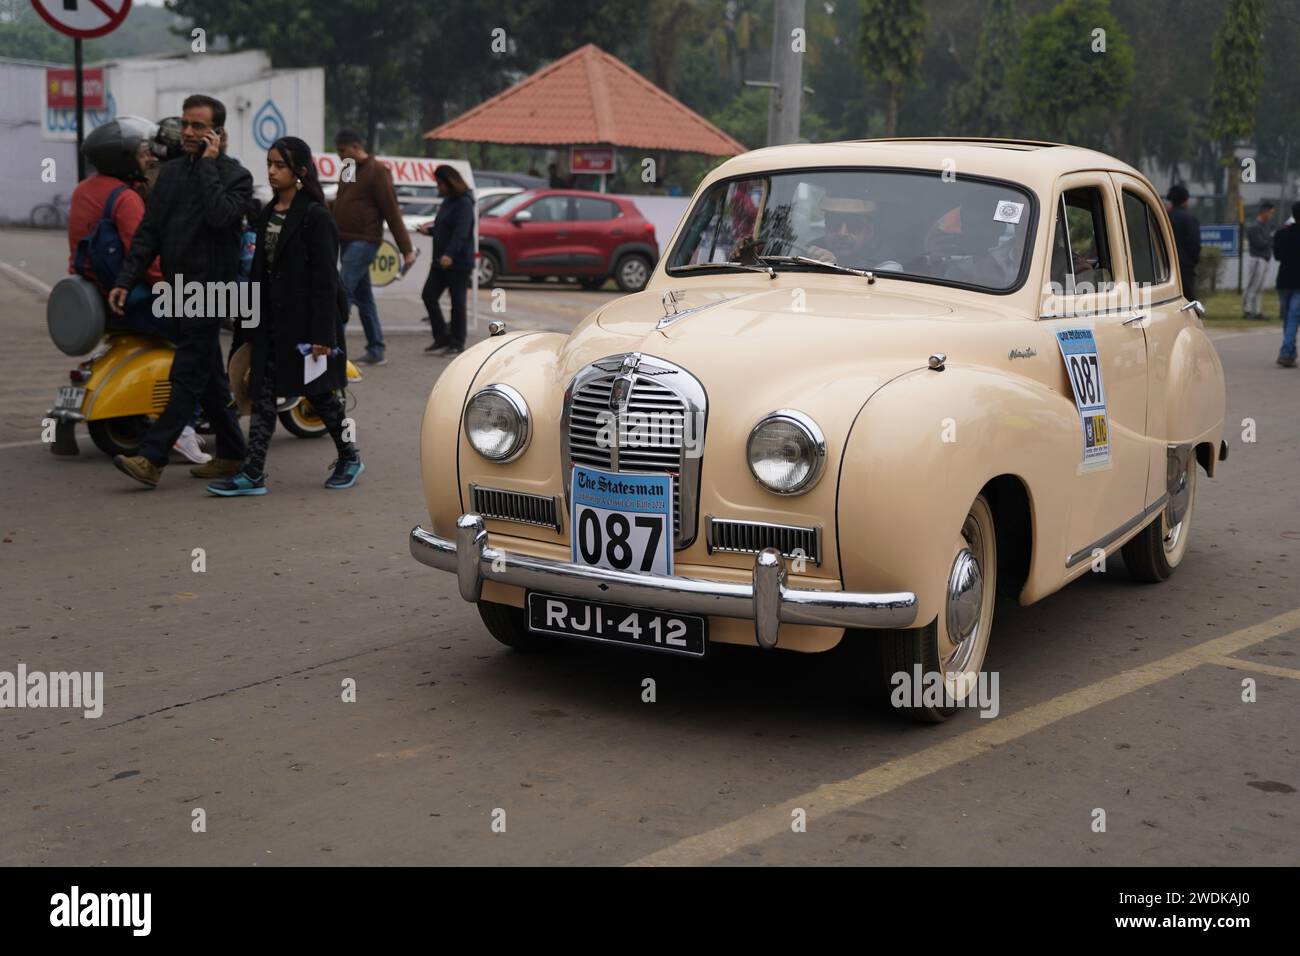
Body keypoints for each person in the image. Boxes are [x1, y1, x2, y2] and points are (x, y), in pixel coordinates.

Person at [106, 95, 253, 488]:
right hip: (179, 287)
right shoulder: (169, 174)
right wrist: (125, 279)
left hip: (215, 288)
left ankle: (151, 458)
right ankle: (234, 453)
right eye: (185, 124)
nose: (187, 132)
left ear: (217, 133)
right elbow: (149, 232)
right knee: (207, 374)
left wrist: (207, 166)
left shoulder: (235, 175)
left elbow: (221, 217)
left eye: (198, 126)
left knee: (187, 370)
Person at [206, 137, 363, 495]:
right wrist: (247, 320)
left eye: (280, 165)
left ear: (300, 172)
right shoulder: (267, 213)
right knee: (262, 396)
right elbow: (259, 271)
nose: (272, 171)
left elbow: (325, 280)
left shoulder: (315, 216)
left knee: (320, 395)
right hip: (269, 324)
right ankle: (253, 474)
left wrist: (324, 335)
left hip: (307, 328)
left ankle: (349, 456)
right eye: (270, 164)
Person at [68, 116, 211, 465]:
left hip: (98, 293)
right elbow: (146, 261)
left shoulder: (82, 190)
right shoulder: (125, 198)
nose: (148, 157)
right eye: (142, 152)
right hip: (132, 297)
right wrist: (180, 290)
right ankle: (186, 426)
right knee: (198, 337)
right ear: (123, 158)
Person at [331, 129, 414, 366]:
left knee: (343, 292)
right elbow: (341, 202)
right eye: (337, 152)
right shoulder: (348, 169)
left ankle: (331, 348)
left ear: (356, 147)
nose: (339, 156)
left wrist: (406, 249)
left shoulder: (378, 172)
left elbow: (392, 211)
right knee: (364, 298)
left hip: (365, 241)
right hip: (345, 240)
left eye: (342, 151)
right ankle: (376, 349)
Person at [419, 165, 475, 356]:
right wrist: (430, 231)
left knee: (457, 303)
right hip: (441, 261)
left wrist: (450, 255)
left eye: (440, 183)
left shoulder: (464, 203)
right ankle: (441, 338)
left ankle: (457, 342)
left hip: (457, 262)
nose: (438, 187)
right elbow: (444, 227)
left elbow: (461, 233)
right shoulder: (448, 201)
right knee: (429, 295)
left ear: (450, 182)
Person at [806, 195, 882, 267]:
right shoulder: (808, 254)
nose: (842, 233)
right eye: (835, 223)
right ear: (826, 226)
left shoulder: (884, 265)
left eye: (853, 225)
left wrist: (834, 270)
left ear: (869, 231)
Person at [1273, 202, 1300, 367]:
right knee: (1292, 318)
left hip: (1283, 281)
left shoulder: (1281, 234)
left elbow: (1277, 256)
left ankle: (1290, 353)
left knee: (1288, 318)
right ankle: (1286, 352)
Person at [1167, 184, 1201, 301]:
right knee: (1188, 298)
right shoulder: (1189, 218)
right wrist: (1193, 261)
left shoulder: (1164, 216)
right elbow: (1194, 243)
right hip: (1185, 265)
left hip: (1165, 265)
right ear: (1186, 200)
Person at [1243, 202, 1276, 321]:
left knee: (1259, 288)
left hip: (1264, 259)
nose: (1271, 216)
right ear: (1264, 212)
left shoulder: (1266, 226)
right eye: (1271, 213)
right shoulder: (1254, 227)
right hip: (1257, 259)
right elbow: (1260, 243)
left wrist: (1269, 240)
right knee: (1253, 286)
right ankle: (1247, 310)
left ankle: (1256, 311)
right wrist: (1270, 239)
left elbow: (1268, 242)